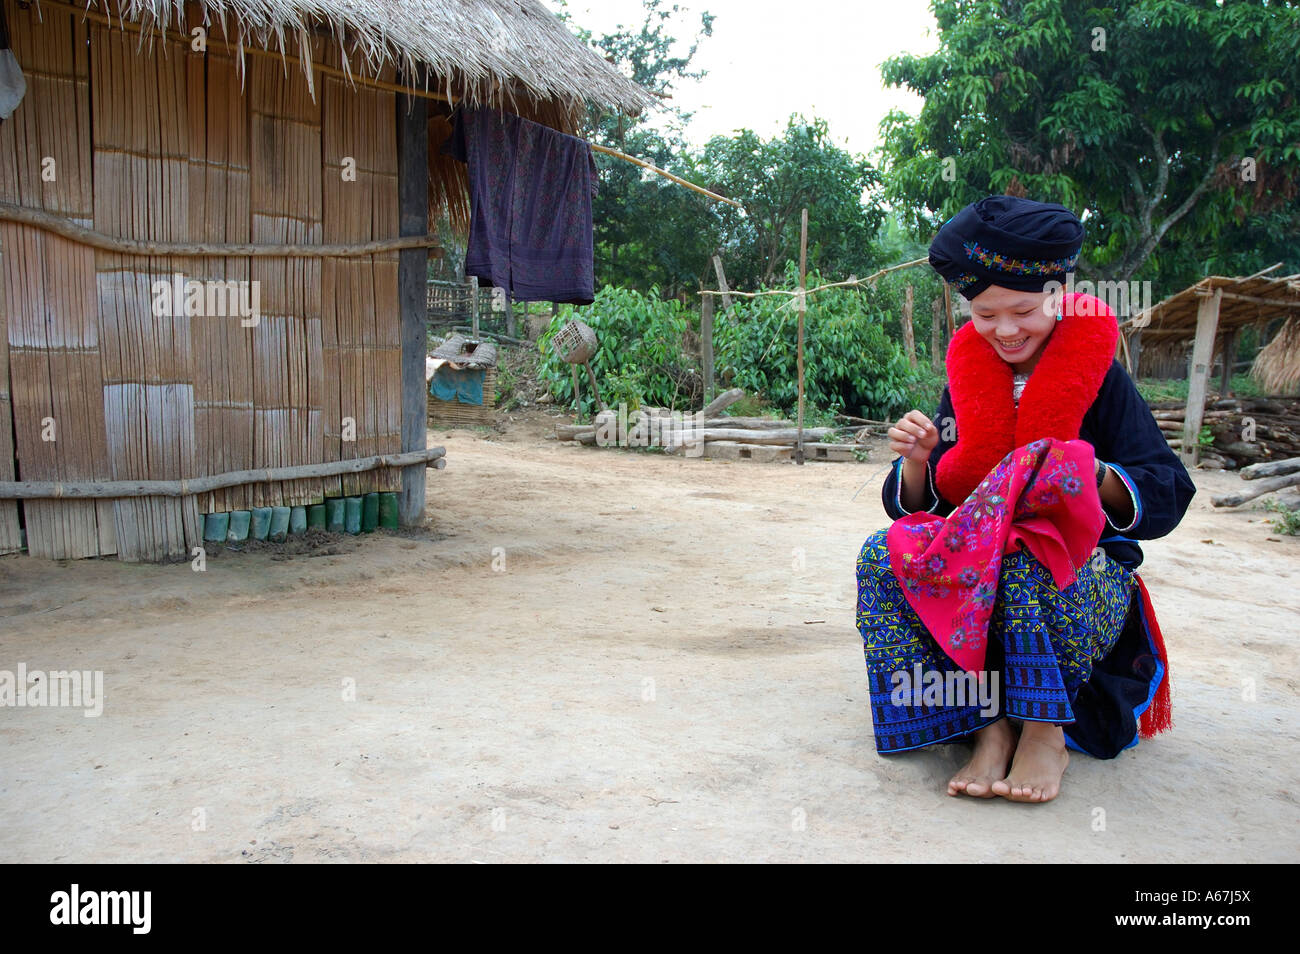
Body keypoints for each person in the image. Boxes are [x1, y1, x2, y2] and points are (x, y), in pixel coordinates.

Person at [856, 196, 1196, 803]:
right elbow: (929, 500)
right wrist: (916, 461)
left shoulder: (1099, 376)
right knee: (884, 554)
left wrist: (1088, 478)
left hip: (1076, 579)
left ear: (1058, 294)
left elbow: (1167, 486)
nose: (1005, 330)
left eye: (1023, 310)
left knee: (1023, 556)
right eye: (986, 315)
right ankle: (987, 722)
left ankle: (1044, 729)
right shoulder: (969, 375)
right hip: (982, 569)